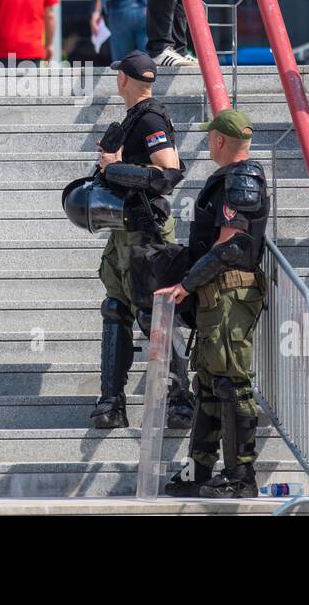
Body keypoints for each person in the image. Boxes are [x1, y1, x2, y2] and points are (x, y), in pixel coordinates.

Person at [159, 110, 268, 498]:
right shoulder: (229, 178)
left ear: (220, 140)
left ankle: (241, 477)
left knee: (230, 382)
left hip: (229, 290)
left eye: (211, 138)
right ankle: (199, 472)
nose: (208, 144)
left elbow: (231, 243)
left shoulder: (241, 177)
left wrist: (186, 285)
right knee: (208, 383)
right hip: (215, 291)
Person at [91, 50, 193, 430]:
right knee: (115, 309)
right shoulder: (132, 119)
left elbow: (168, 172)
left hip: (146, 230)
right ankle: (111, 401)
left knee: (153, 315)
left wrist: (116, 168)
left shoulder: (150, 118)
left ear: (122, 80)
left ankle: (181, 400)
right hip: (123, 229)